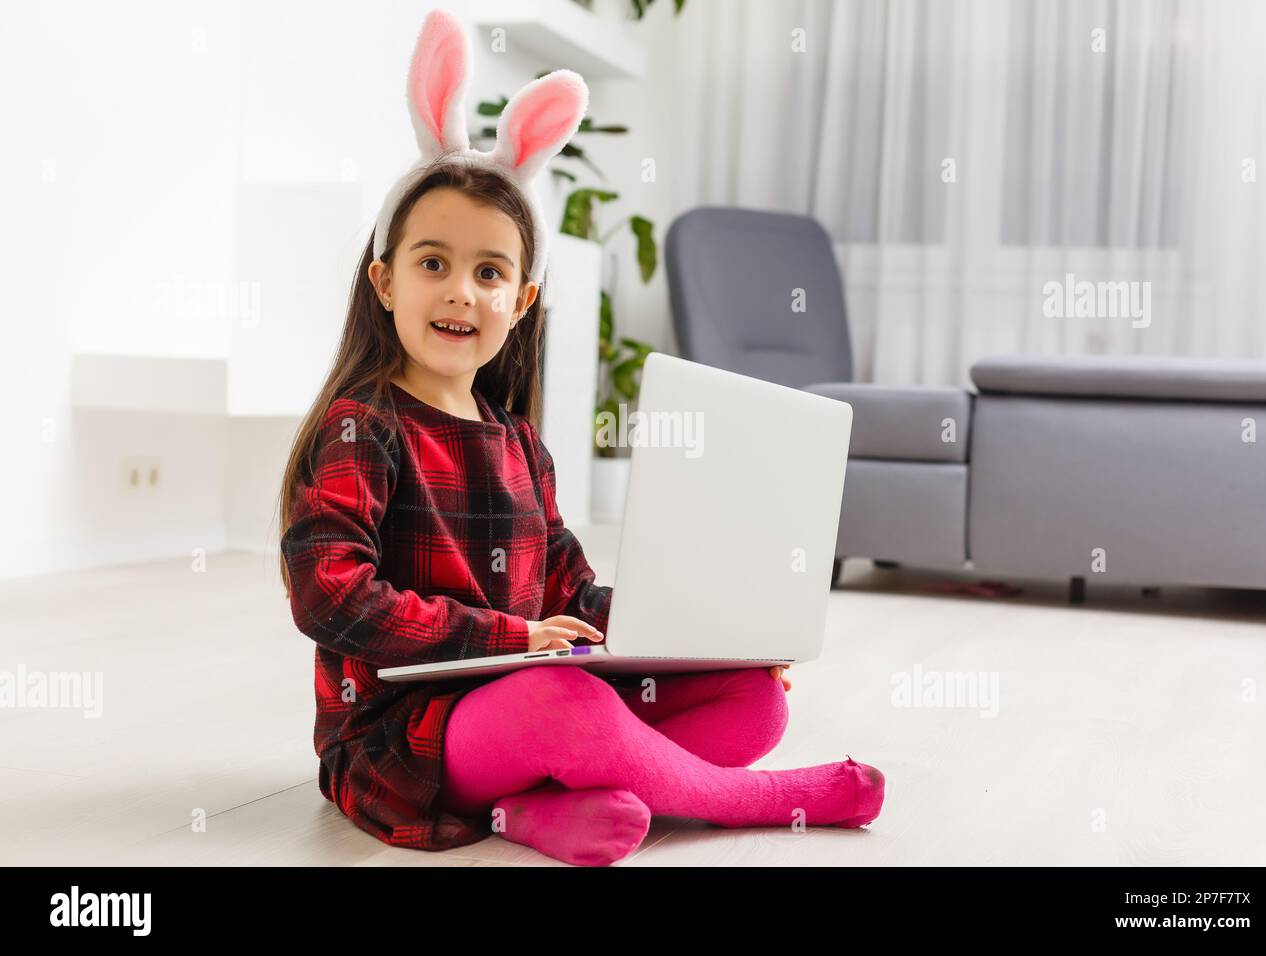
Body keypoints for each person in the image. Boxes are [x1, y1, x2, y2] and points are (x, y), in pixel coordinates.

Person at [277, 8, 884, 866]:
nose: (461, 292)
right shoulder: (361, 428)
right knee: (565, 703)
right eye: (432, 263)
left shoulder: (519, 442)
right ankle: (757, 802)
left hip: (526, 690)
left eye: (490, 273)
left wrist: (708, 643)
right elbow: (330, 599)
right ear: (383, 280)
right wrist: (509, 641)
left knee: (755, 702)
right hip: (404, 740)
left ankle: (529, 810)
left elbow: (574, 595)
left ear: (521, 301)